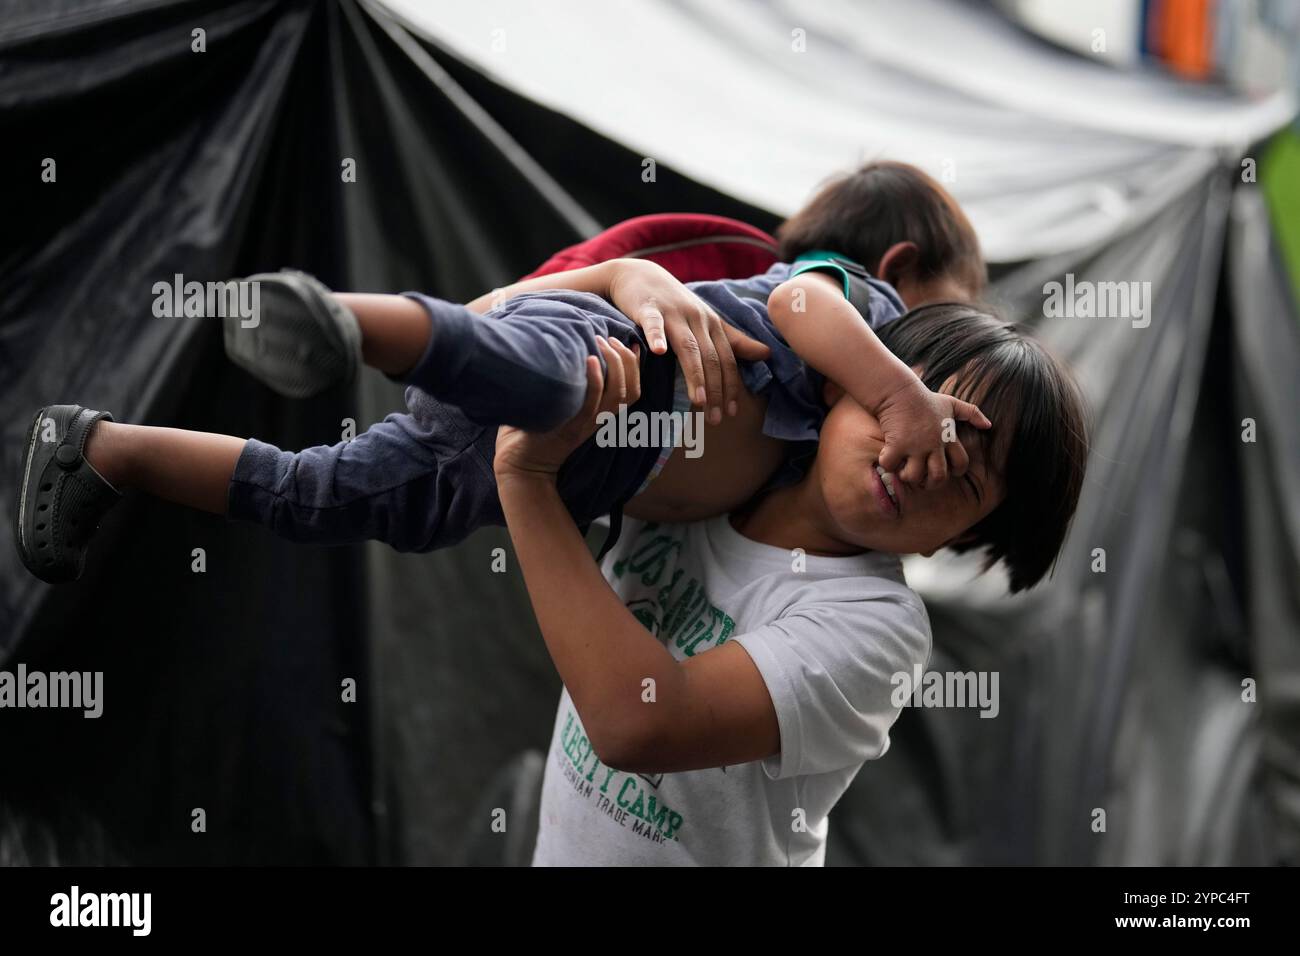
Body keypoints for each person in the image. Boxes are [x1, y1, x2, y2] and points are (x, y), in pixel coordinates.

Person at [15, 162, 988, 583]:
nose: (946, 353)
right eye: (955, 314)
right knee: (550, 381)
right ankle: (330, 315)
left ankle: (106, 449)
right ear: (897, 273)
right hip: (587, 360)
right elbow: (799, 307)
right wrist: (904, 389)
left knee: (330, 497)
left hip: (529, 459)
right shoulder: (858, 312)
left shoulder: (821, 451)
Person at [493, 303, 1090, 865]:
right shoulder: (704, 468)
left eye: (959, 476)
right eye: (911, 414)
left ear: (958, 539)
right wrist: (627, 277)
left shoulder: (879, 630)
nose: (916, 463)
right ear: (843, 383)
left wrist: (525, 480)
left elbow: (639, 724)